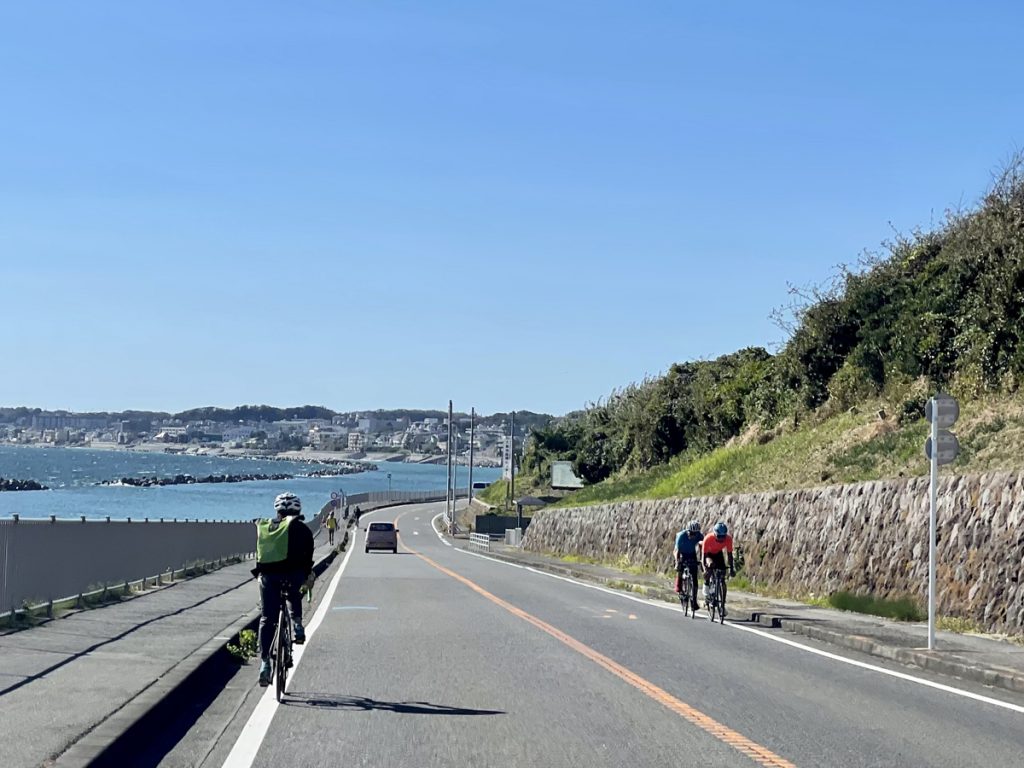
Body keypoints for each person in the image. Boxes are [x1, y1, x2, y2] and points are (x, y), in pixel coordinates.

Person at [253, 492, 315, 687]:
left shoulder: (268, 527)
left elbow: (260, 555)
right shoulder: (303, 529)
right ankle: (297, 625)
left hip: (268, 576)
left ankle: (264, 663)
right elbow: (308, 556)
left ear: (277, 511)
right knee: (293, 592)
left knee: (267, 617)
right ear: (298, 510)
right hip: (293, 575)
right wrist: (307, 575)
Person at [702, 521, 735, 616]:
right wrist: (705, 569)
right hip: (708, 554)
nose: (721, 539)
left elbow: (729, 555)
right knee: (710, 566)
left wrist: (732, 568)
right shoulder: (708, 538)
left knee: (722, 579)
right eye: (719, 537)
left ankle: (722, 605)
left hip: (718, 554)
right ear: (715, 534)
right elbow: (703, 557)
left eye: (723, 537)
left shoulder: (728, 539)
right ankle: (707, 590)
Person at [673, 519, 703, 612]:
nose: (693, 536)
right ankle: (679, 586)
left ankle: (694, 601)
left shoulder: (699, 535)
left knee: (694, 577)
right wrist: (677, 562)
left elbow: (703, 546)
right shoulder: (681, 535)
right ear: (687, 531)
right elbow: (676, 551)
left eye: (695, 534)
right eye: (691, 533)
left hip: (691, 553)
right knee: (680, 568)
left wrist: (701, 559)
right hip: (681, 553)